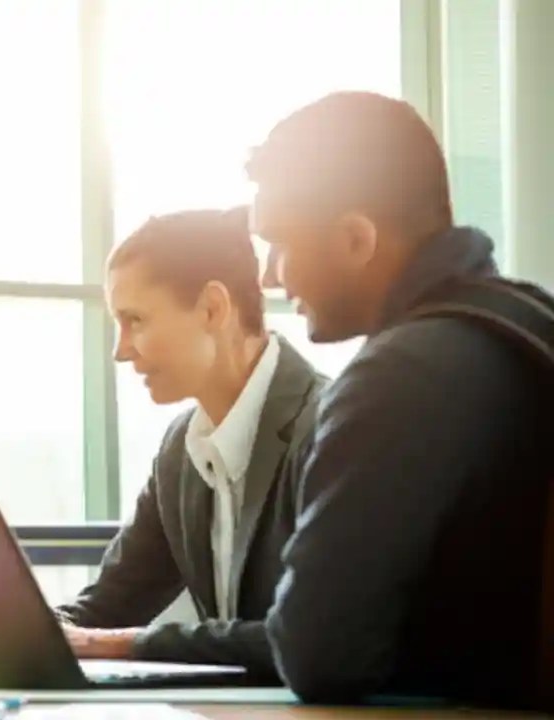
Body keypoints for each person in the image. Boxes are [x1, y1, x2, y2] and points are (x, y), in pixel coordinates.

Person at [250, 91, 550, 707]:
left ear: (357, 240)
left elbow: (320, 656)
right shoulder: (532, 321)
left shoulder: (400, 374)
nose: (268, 277)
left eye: (278, 244)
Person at [55, 208, 327, 680]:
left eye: (134, 320)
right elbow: (108, 606)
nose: (120, 349)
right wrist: (14, 635)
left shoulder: (330, 428)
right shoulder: (181, 451)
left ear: (212, 309)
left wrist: (123, 644)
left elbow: (311, 635)